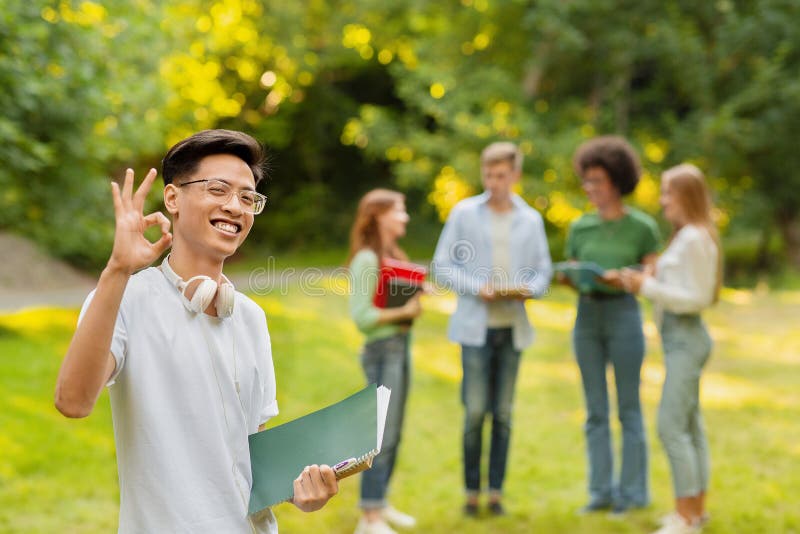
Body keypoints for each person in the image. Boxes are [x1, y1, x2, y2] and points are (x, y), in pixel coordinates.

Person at [54, 129, 338, 533]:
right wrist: (117, 270)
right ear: (173, 198)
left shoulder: (250, 318)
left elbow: (250, 457)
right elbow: (73, 401)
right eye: (219, 190)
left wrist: (301, 490)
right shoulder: (125, 298)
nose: (235, 207)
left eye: (247, 197)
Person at [432, 141, 552, 517]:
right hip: (475, 328)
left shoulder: (530, 219)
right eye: (489, 174)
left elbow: (543, 272)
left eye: (502, 175)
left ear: (515, 175)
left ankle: (496, 492)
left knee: (502, 414)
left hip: (512, 326)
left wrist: (528, 290)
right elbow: (442, 265)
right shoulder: (465, 213)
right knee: (475, 413)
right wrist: (476, 287)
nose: (495, 181)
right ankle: (471, 492)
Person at [619, 163, 721, 534]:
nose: (662, 202)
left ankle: (686, 519)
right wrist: (645, 278)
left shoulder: (695, 237)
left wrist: (645, 288)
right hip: (679, 339)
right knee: (691, 428)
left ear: (686, 196)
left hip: (687, 338)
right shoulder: (686, 236)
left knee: (671, 427)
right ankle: (695, 511)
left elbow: (697, 298)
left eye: (667, 194)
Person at [562, 135, 661, 515]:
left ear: (617, 181)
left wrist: (625, 276)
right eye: (586, 181)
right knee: (595, 410)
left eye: (597, 181)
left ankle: (633, 494)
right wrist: (570, 276)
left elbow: (651, 274)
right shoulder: (580, 227)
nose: (590, 189)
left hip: (624, 314)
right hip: (587, 316)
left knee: (629, 408)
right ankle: (600, 492)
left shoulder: (642, 227)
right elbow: (572, 272)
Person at [347, 189, 422, 534]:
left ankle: (381, 502)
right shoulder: (366, 259)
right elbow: (361, 316)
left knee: (395, 433)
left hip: (399, 346)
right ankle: (370, 517)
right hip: (381, 351)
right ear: (379, 216)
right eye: (399, 210)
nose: (405, 217)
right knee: (379, 435)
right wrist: (405, 311)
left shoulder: (393, 257)